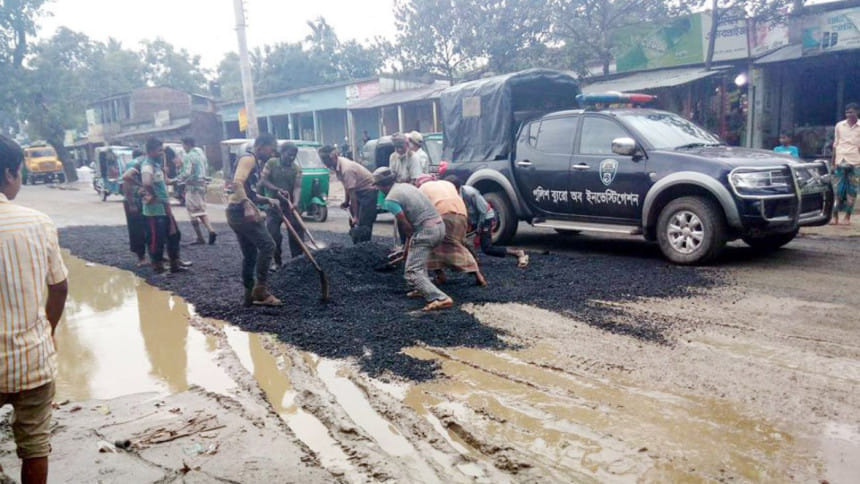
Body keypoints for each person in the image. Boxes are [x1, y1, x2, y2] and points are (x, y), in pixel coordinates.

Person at [0, 135, 69, 484]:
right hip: (33, 361)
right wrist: (50, 330)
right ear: (11, 173)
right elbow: (59, 288)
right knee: (36, 444)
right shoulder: (38, 222)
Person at [374, 167, 453, 311]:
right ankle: (421, 288)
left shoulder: (390, 199)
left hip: (426, 231)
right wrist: (407, 249)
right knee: (417, 260)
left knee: (412, 270)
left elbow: (407, 227)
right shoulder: (406, 186)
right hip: (440, 226)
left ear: (381, 186)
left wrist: (407, 246)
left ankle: (440, 298)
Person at [226, 133, 282, 306]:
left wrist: (266, 200)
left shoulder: (255, 163)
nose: (272, 153)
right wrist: (247, 205)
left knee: (250, 254)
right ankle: (261, 291)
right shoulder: (248, 159)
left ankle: (248, 293)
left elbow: (248, 192)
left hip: (235, 211)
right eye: (270, 149)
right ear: (261, 146)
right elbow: (237, 183)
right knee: (268, 245)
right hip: (241, 212)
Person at [416, 176, 487, 287]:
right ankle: (477, 274)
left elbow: (420, 212)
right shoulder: (447, 184)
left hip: (443, 214)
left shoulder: (422, 189)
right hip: (462, 214)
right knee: (457, 244)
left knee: (430, 244)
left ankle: (441, 275)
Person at [445, 175, 528, 268]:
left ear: (456, 187)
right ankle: (475, 261)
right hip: (472, 218)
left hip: (485, 218)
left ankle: (517, 253)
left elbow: (483, 211)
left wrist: (479, 228)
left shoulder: (470, 193)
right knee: (463, 240)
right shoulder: (451, 195)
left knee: (487, 248)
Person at [140, 137, 189, 274]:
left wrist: (175, 180)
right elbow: (147, 182)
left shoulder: (156, 165)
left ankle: (175, 263)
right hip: (154, 211)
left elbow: (163, 181)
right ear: (151, 151)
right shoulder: (147, 165)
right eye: (159, 150)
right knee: (157, 239)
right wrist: (153, 195)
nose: (162, 153)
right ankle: (158, 266)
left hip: (164, 208)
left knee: (174, 235)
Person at [319, 145, 378, 244]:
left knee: (363, 223)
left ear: (333, 157)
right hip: (358, 190)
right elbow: (347, 186)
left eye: (326, 160)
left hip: (368, 192)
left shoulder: (346, 169)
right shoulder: (337, 165)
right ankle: (356, 246)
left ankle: (365, 246)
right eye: (323, 160)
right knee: (352, 222)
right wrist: (346, 202)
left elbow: (353, 194)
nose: (325, 163)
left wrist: (355, 216)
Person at [258, 141, 303, 267]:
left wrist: (295, 202)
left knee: (296, 232)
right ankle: (277, 262)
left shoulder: (296, 169)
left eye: (294, 155)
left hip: (289, 206)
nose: (291, 158)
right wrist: (276, 190)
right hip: (273, 204)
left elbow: (297, 187)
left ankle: (297, 262)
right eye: (289, 154)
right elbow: (263, 180)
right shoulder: (271, 163)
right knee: (274, 235)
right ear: (282, 153)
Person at [177, 137, 216, 245]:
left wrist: (176, 179)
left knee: (193, 211)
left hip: (192, 186)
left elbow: (187, 173)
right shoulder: (200, 153)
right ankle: (209, 231)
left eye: (183, 145)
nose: (183, 148)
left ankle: (202, 235)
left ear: (187, 144)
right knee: (200, 209)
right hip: (202, 185)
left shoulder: (189, 156)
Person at [832, 102, 860, 225]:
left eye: (851, 112)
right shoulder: (839, 125)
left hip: (855, 162)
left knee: (852, 191)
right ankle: (834, 216)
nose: (848, 114)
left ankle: (847, 217)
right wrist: (833, 162)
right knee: (837, 190)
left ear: (857, 112)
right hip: (840, 160)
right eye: (847, 112)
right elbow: (835, 144)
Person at [121, 149, 149, 266]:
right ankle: (141, 258)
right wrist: (131, 204)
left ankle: (147, 255)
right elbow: (126, 184)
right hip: (133, 201)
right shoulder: (136, 164)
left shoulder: (136, 163)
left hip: (140, 201)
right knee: (137, 230)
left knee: (145, 229)